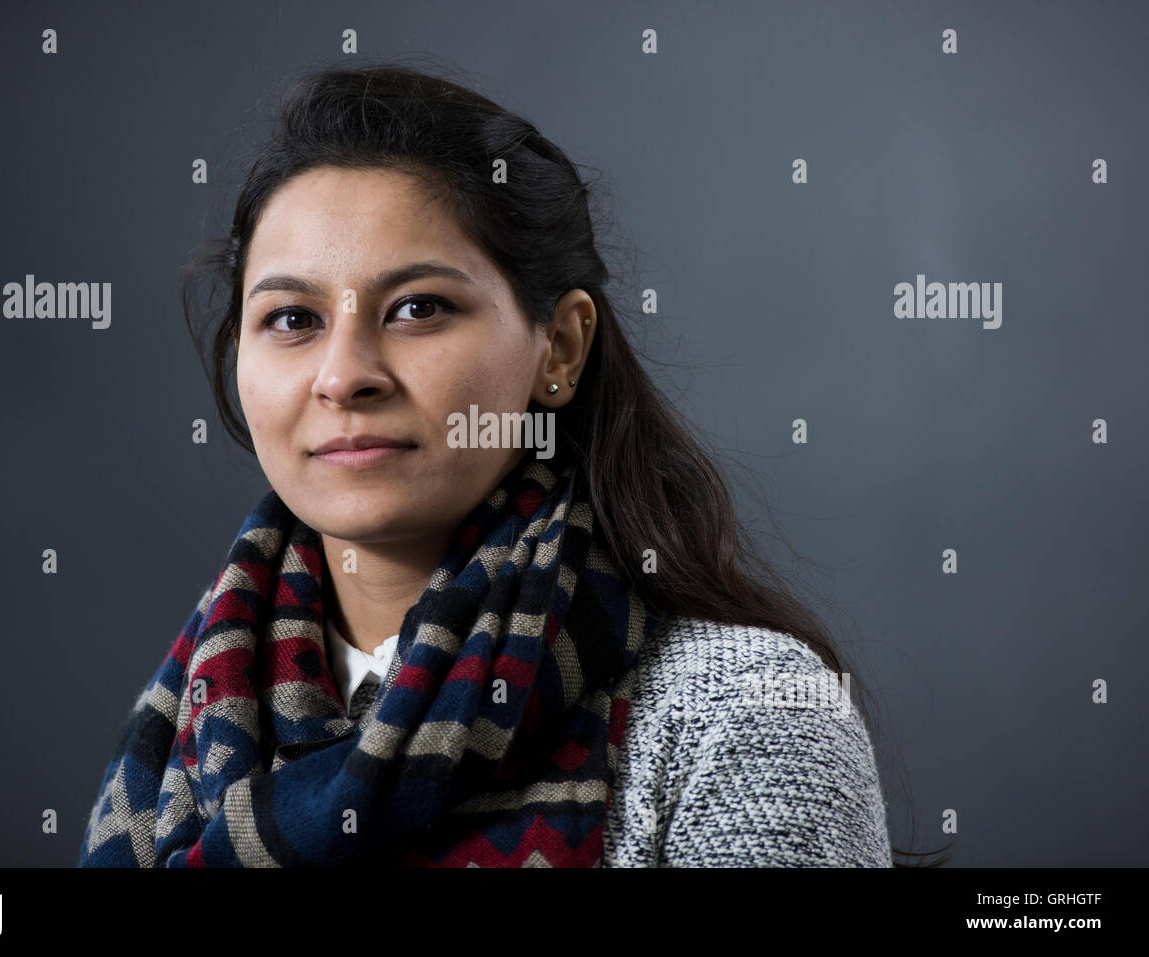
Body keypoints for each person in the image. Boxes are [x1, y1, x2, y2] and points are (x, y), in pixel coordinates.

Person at [78, 61, 893, 867]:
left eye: (419, 308)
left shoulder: (744, 718)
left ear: (560, 347)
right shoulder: (185, 738)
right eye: (292, 318)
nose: (343, 374)